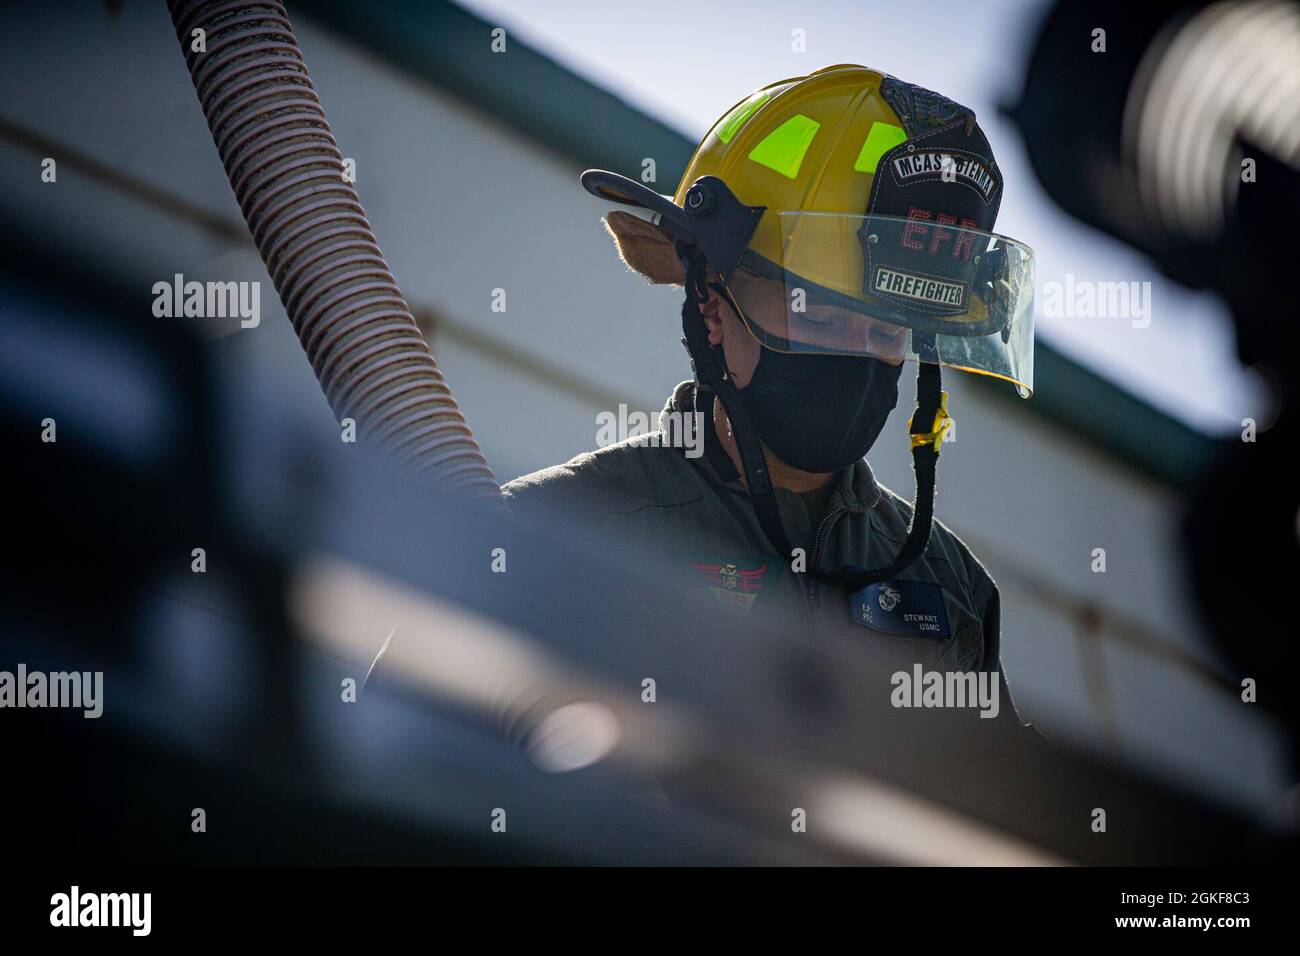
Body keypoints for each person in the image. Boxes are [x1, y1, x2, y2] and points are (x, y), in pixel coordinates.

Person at [505, 65, 1036, 717]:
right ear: (710, 304)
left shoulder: (952, 587)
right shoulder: (561, 525)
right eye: (815, 315)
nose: (850, 353)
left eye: (887, 330)